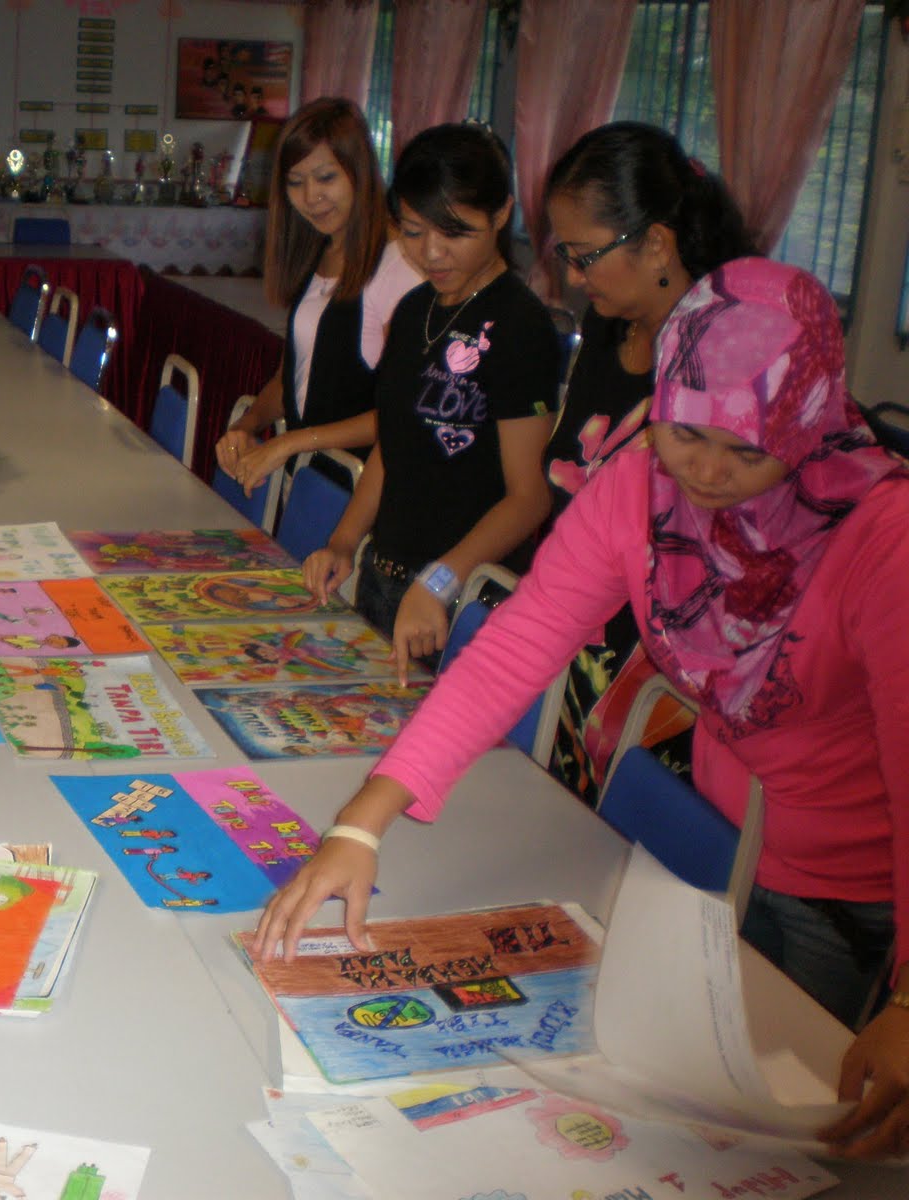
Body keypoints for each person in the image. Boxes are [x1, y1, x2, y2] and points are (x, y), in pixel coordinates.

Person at [260, 258, 909, 1159]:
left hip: (845, 895)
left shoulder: (883, 538)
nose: (708, 471)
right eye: (687, 433)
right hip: (716, 847)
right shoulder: (640, 488)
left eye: (749, 451)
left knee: (797, 1141)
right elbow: (515, 648)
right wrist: (363, 822)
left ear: (806, 425)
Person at [540, 121, 758, 803]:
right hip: (578, 649)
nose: (572, 276)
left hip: (664, 690)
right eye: (566, 254)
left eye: (585, 256)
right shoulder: (609, 327)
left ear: (657, 244)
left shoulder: (726, 363)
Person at [301, 123, 557, 674]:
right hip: (385, 577)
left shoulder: (521, 325)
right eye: (414, 232)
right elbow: (394, 446)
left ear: (501, 214)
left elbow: (529, 497)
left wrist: (440, 581)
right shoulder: (415, 309)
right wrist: (343, 541)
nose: (432, 253)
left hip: (462, 600)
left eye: (455, 232)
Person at [214, 97, 421, 496]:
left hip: (366, 494)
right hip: (312, 484)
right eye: (295, 182)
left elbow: (405, 413)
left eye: (326, 178)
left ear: (359, 171)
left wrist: (292, 441)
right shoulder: (320, 251)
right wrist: (247, 425)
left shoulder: (397, 265)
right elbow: (290, 378)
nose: (311, 197)